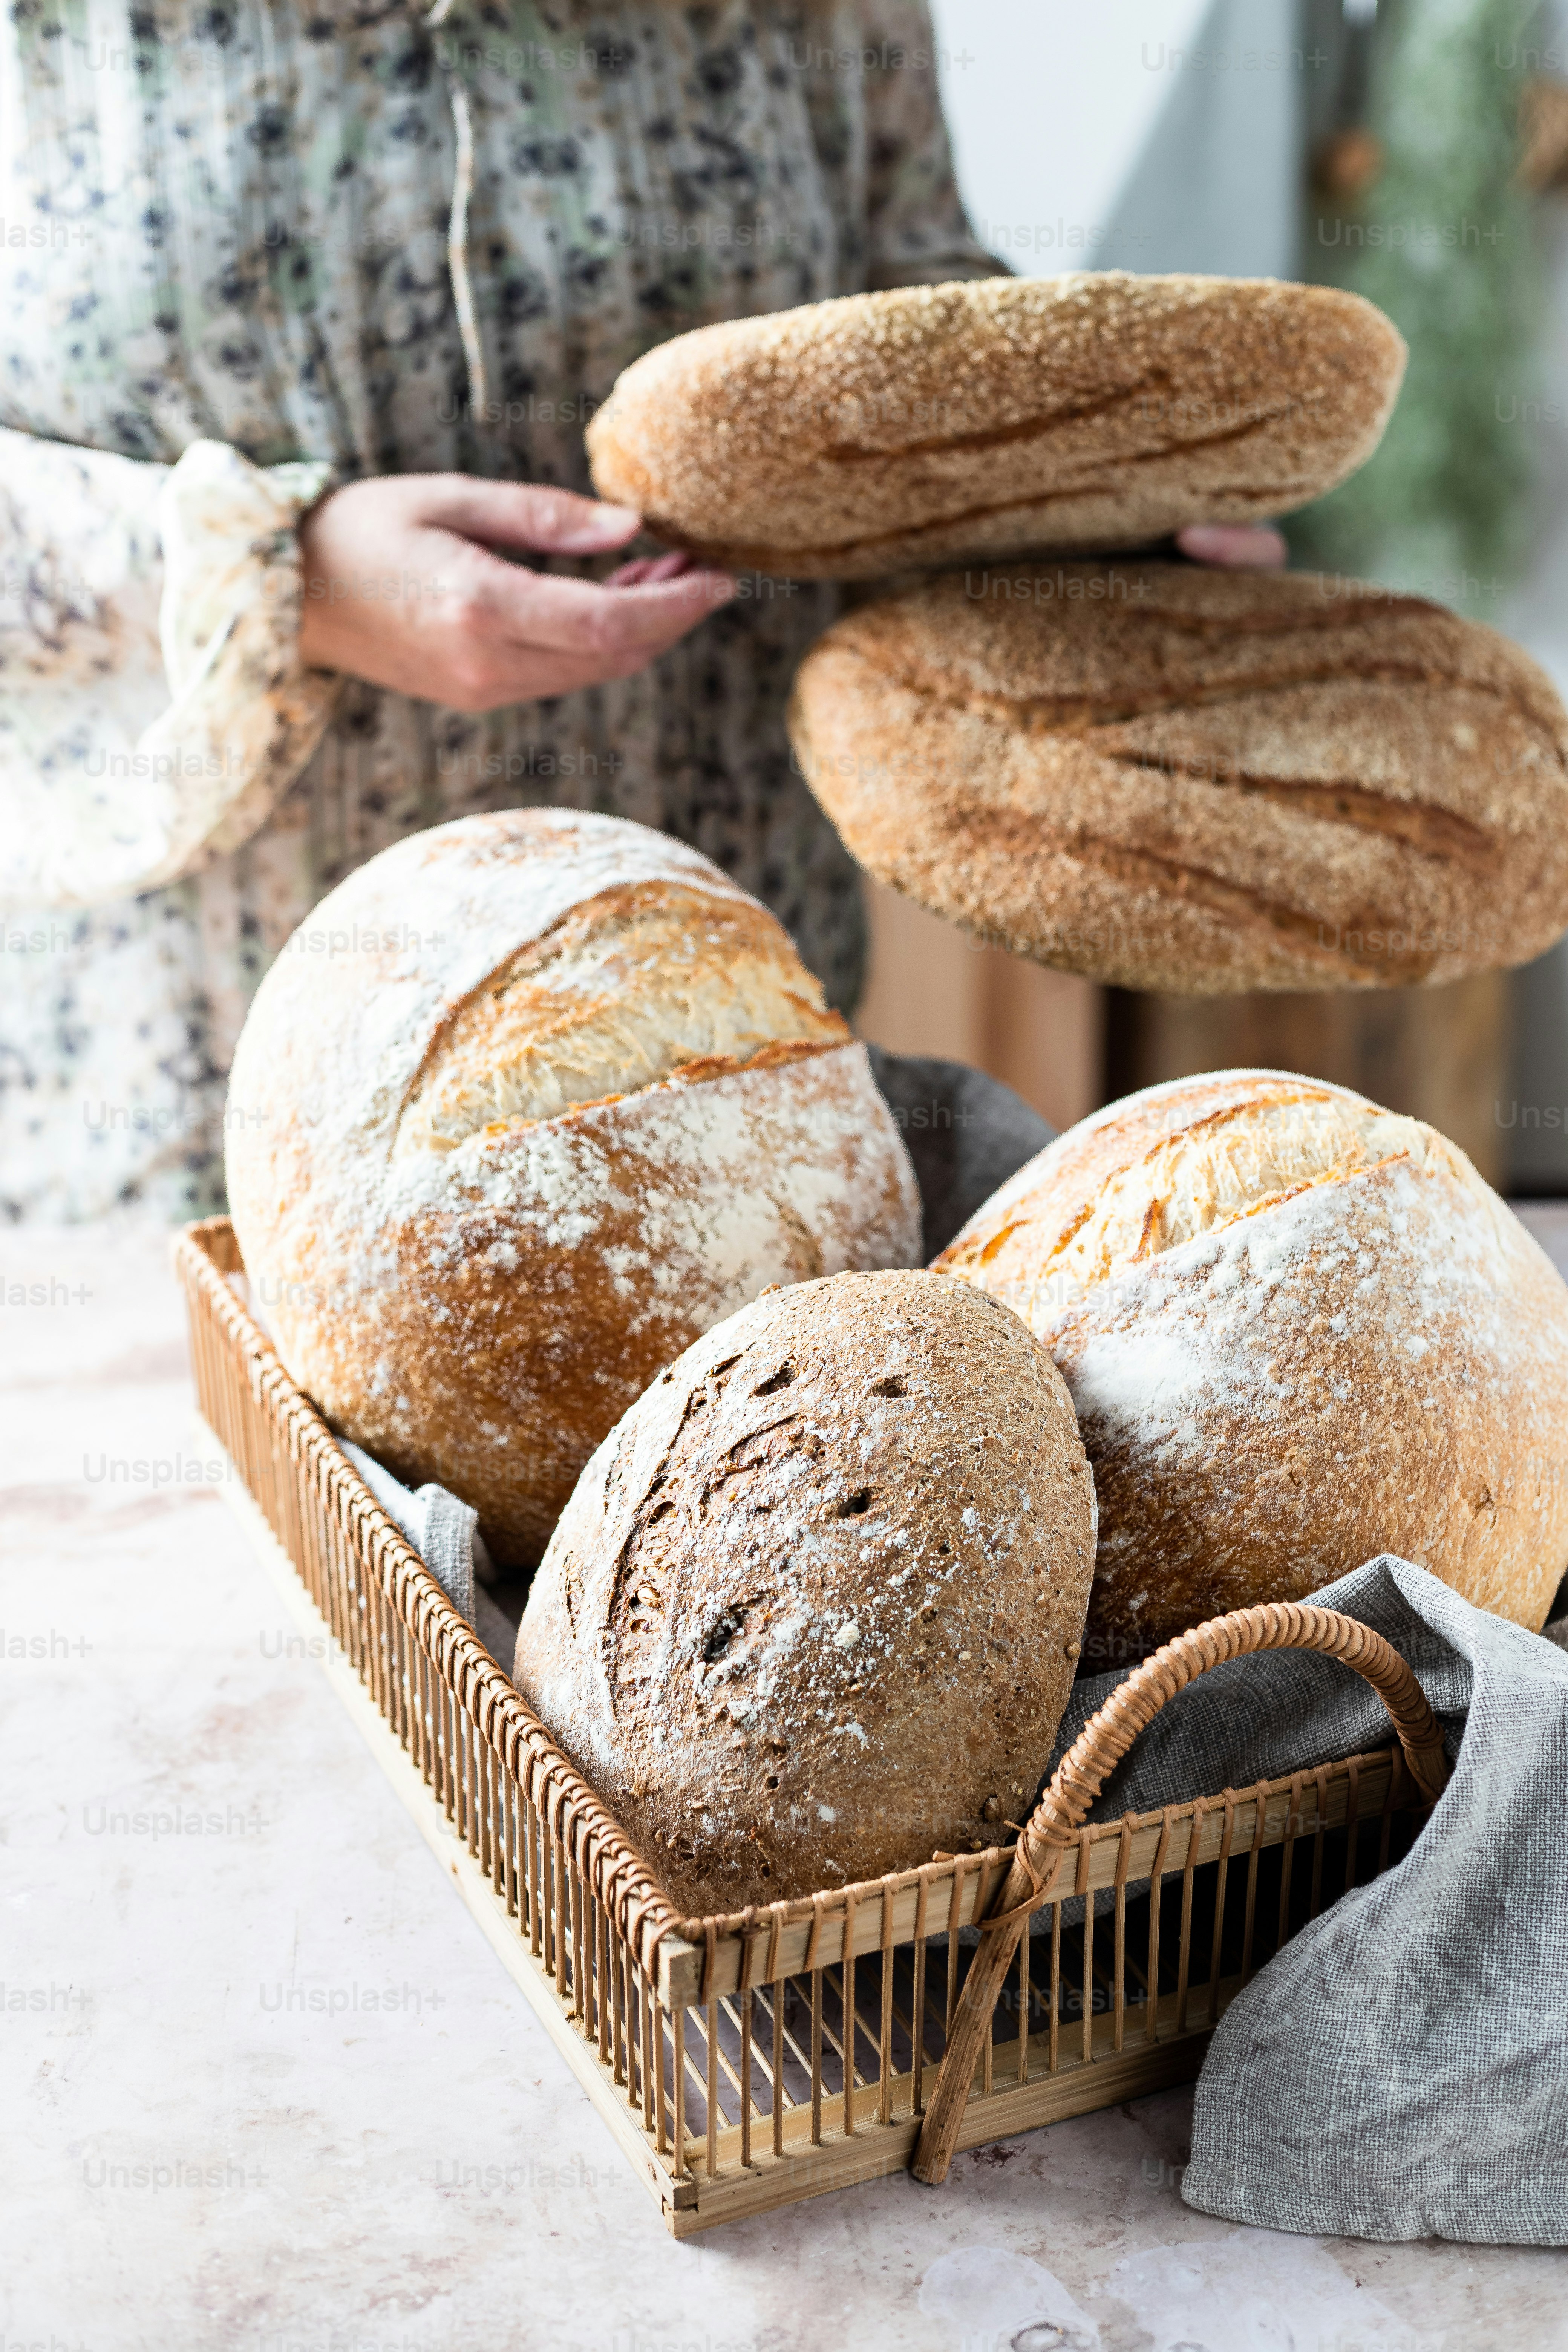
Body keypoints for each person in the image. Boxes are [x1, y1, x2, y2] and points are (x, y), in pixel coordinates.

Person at [0, 0, 1280, 1222]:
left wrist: (1080, 518)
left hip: (742, 1085)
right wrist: (287, 580)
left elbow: (898, 341)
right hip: (184, 1122)